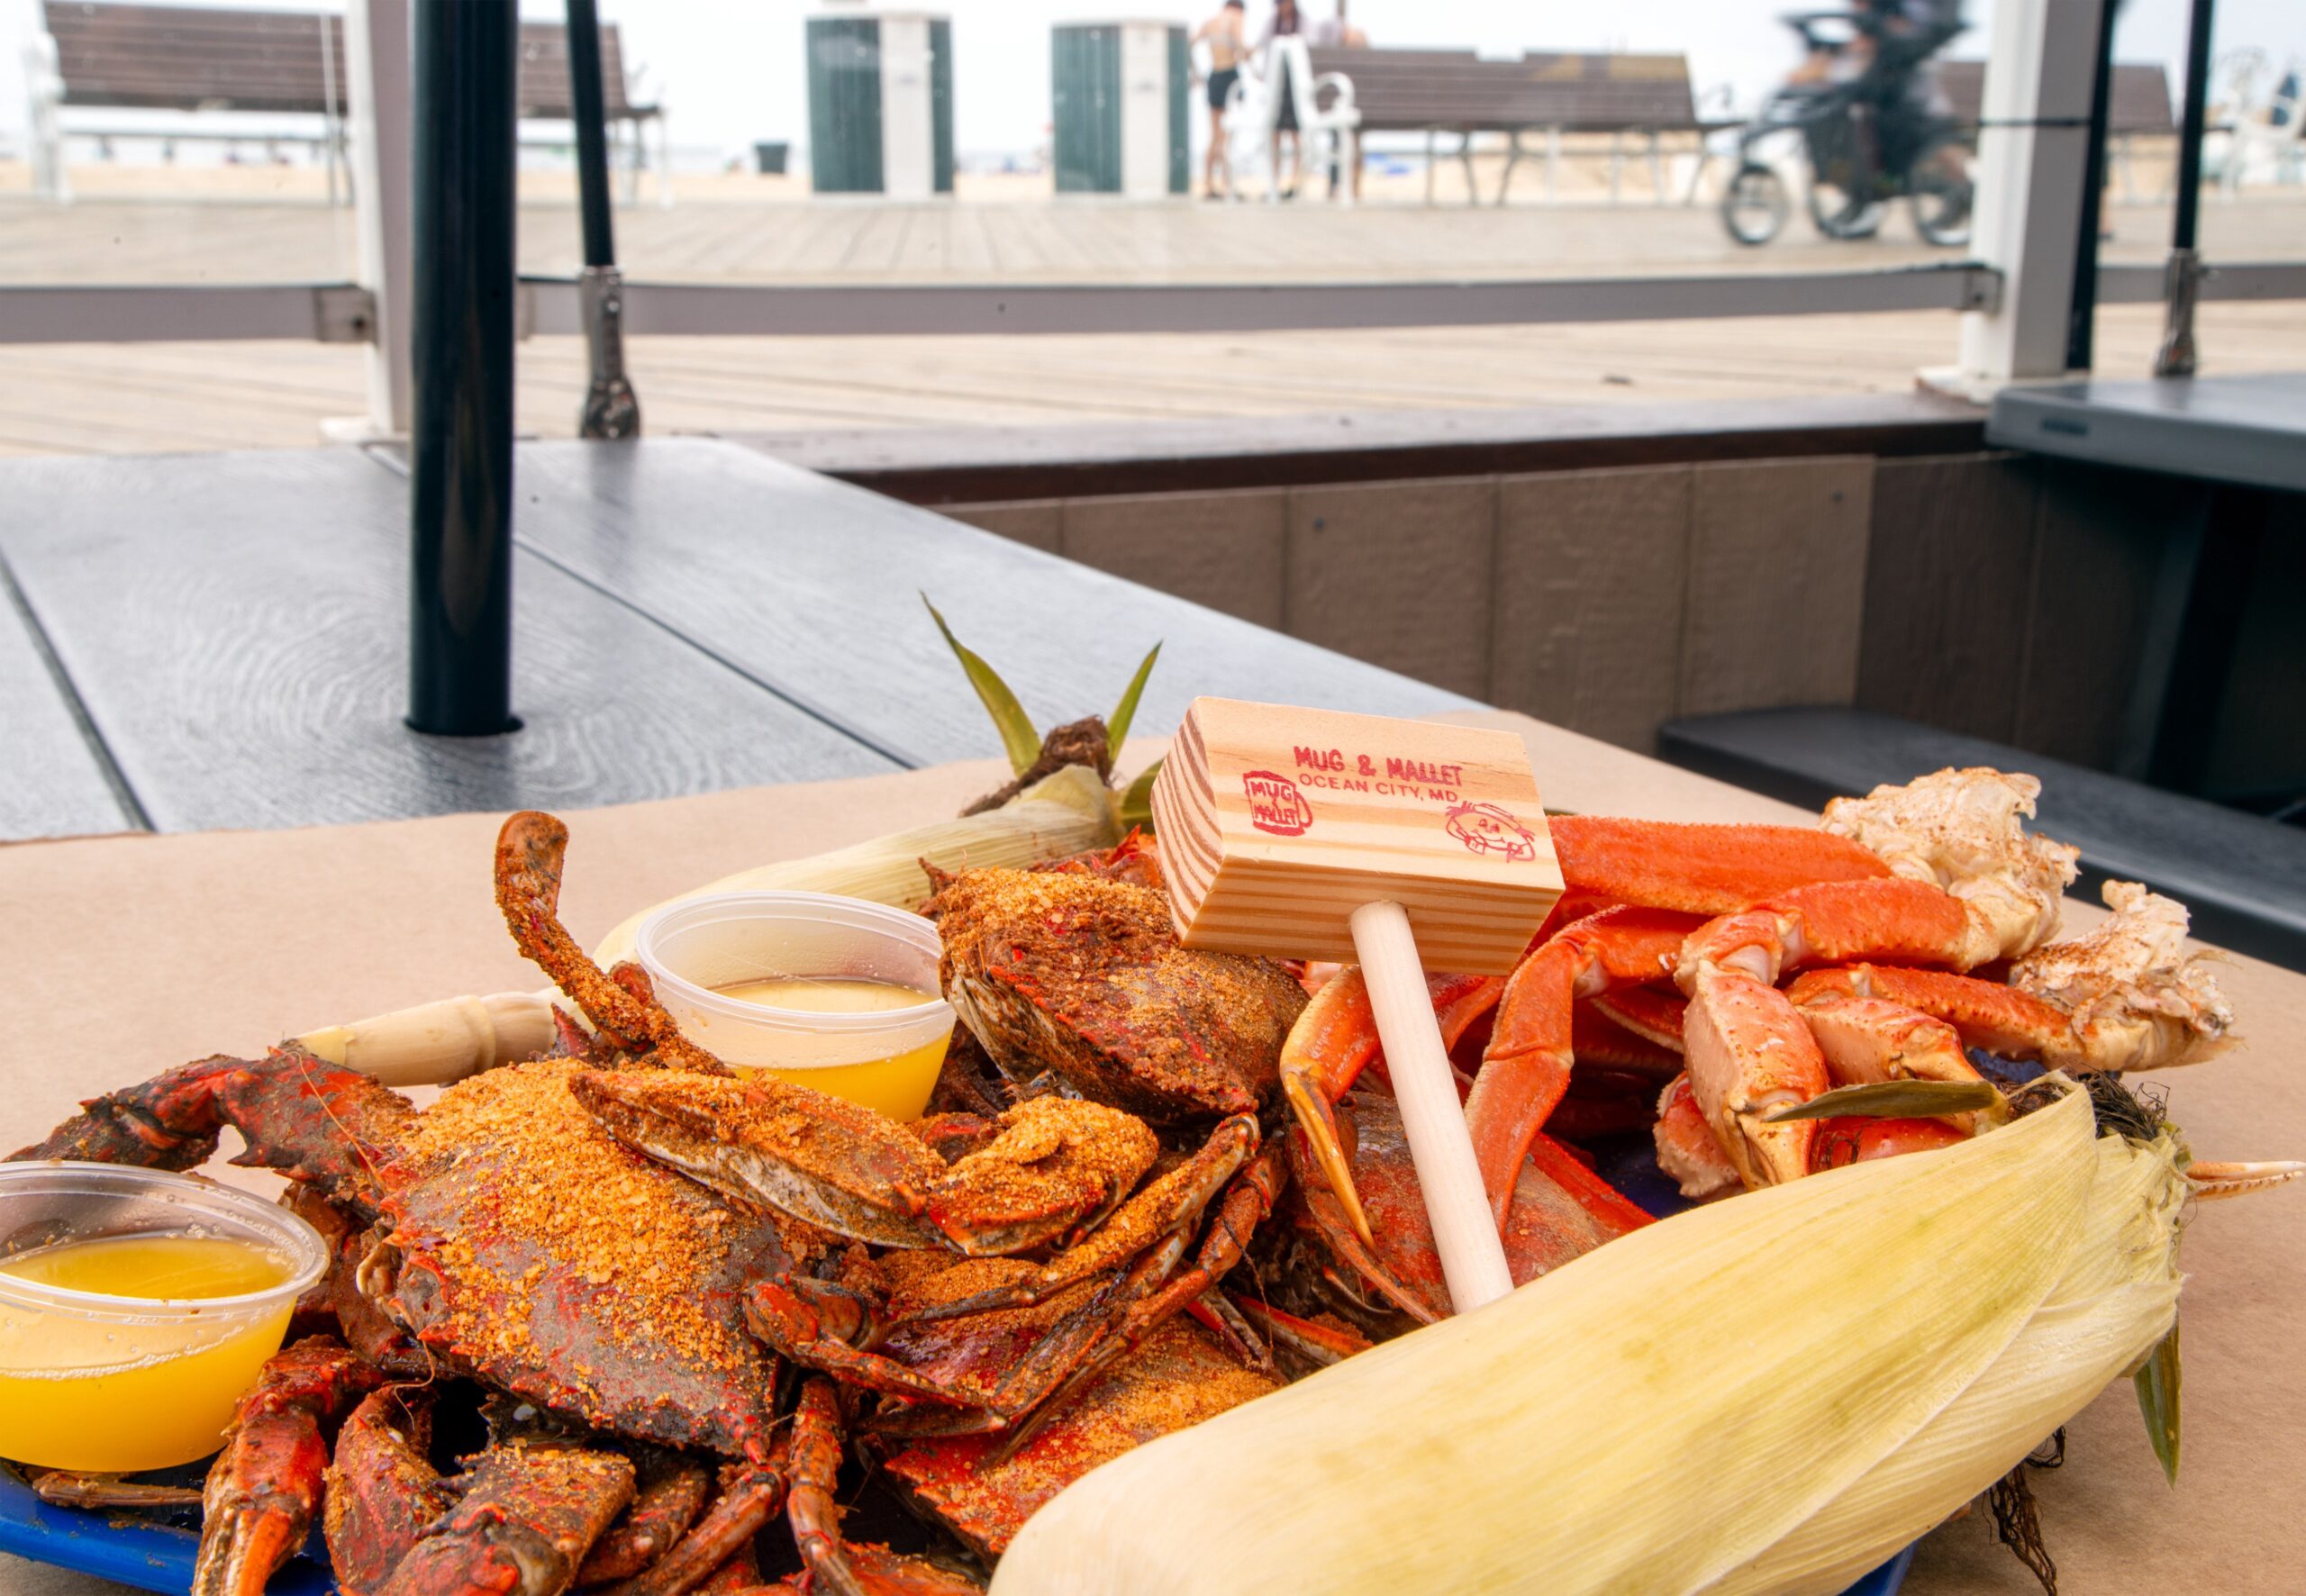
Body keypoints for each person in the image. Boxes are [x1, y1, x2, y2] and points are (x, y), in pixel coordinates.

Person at [1192, 1, 1248, 199]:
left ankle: (1208, 184)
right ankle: (1227, 185)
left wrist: (1196, 74)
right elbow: (1242, 49)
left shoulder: (1210, 22)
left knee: (1215, 135)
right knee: (1228, 135)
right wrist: (1250, 54)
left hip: (1214, 76)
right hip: (1230, 77)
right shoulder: (1236, 19)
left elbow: (1189, 44)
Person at [1258, 0, 1305, 199]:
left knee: (1296, 135)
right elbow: (1261, 47)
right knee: (1275, 134)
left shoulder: (1305, 24)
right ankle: (1274, 182)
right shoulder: (1272, 23)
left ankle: (1295, 182)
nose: (1280, 6)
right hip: (1277, 86)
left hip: (1296, 88)